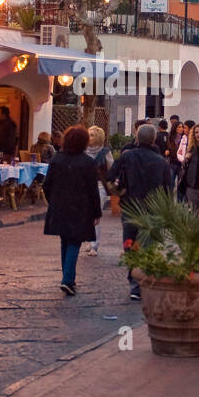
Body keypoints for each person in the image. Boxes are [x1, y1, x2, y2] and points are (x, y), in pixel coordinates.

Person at [107, 122, 173, 300]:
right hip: (153, 208)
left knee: (130, 244)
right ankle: (145, 280)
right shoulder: (162, 162)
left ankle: (134, 283)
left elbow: (110, 176)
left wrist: (118, 191)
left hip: (130, 206)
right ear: (153, 140)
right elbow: (168, 189)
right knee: (148, 245)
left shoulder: (127, 157)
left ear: (137, 137)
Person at [43, 125, 101, 296]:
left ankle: (68, 278)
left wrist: (52, 200)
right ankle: (67, 280)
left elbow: (47, 185)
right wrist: (96, 212)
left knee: (65, 240)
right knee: (74, 241)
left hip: (59, 205)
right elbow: (93, 190)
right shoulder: (88, 163)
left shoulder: (57, 159)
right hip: (80, 207)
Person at [85, 125, 114, 257]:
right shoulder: (83, 150)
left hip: (99, 185)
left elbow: (112, 168)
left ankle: (94, 245)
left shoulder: (105, 152)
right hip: (84, 186)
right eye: (88, 134)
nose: (89, 137)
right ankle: (89, 238)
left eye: (92, 135)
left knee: (95, 215)